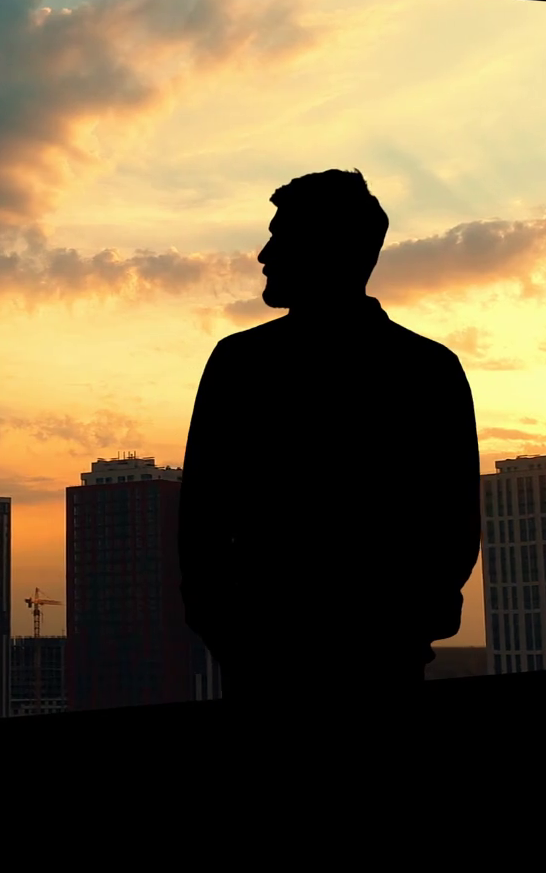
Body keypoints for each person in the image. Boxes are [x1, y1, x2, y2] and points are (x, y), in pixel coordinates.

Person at [177, 169, 481, 703]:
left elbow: (202, 520)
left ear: (327, 248)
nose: (264, 254)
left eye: (281, 236)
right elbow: (452, 534)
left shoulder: (242, 364)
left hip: (309, 660)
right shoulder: (429, 368)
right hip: (344, 656)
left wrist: (235, 634)